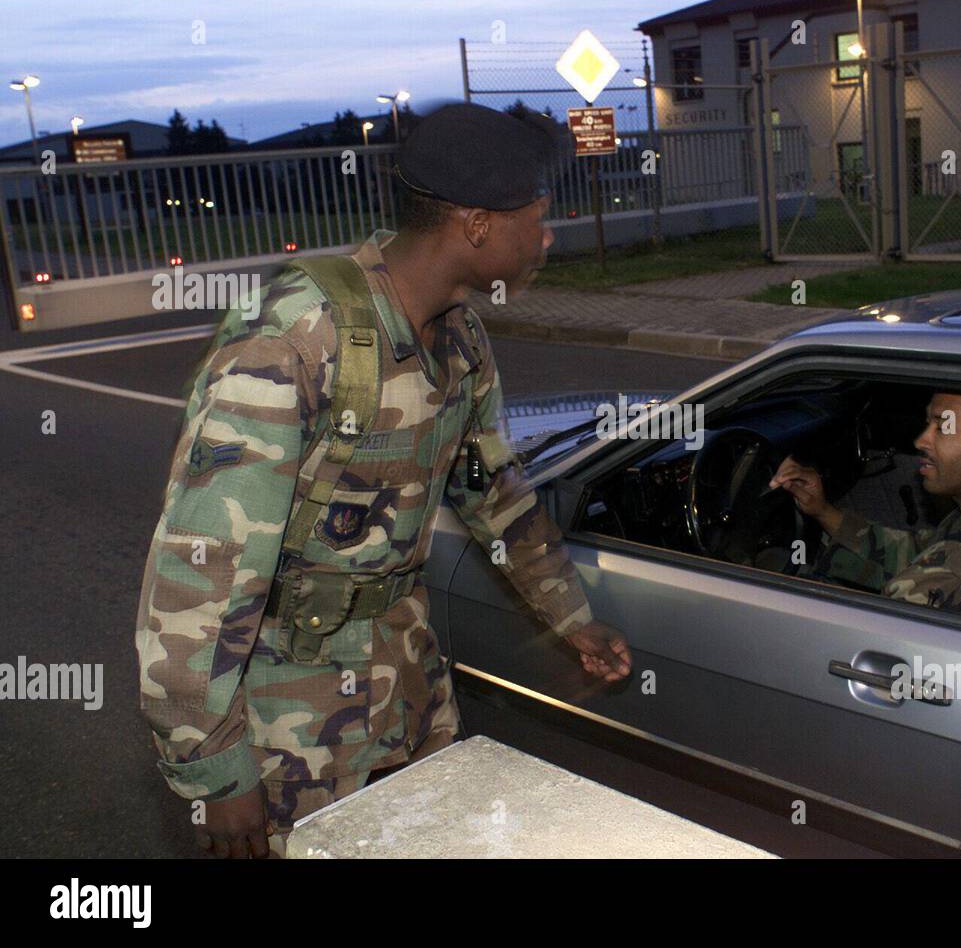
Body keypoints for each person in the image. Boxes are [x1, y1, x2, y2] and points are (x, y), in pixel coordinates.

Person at [135, 102, 631, 859]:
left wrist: (572, 619)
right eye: (539, 215)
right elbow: (201, 572)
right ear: (476, 225)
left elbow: (495, 494)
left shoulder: (460, 338)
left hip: (409, 685)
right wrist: (212, 770)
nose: (549, 235)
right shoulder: (296, 334)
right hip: (283, 724)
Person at [769, 392, 961, 614]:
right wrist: (822, 511)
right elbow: (916, 553)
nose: (920, 441)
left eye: (943, 427)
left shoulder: (951, 575)